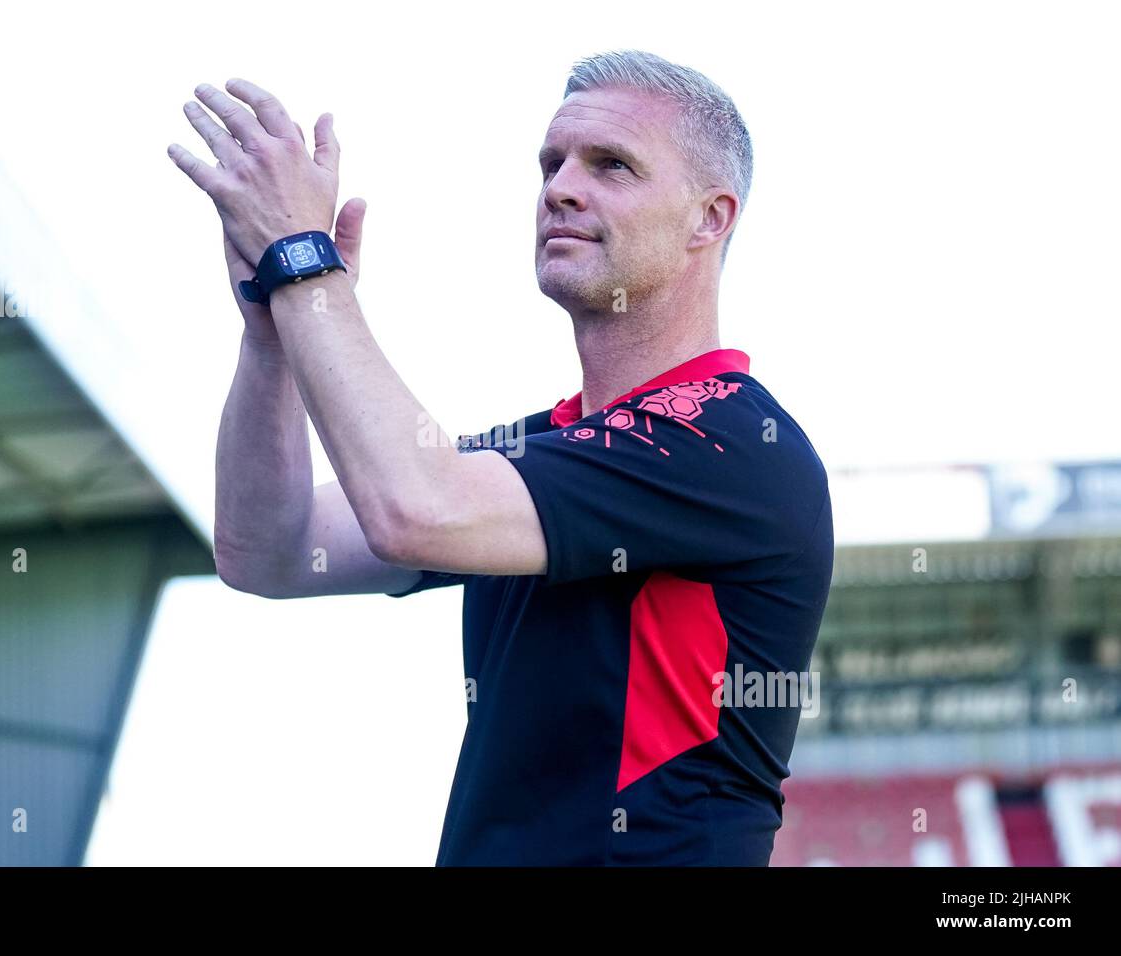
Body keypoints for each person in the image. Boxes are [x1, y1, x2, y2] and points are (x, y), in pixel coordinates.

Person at [169, 49, 833, 865]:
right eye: (551, 163)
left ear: (710, 218)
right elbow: (264, 551)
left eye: (612, 165)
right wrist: (272, 329)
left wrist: (304, 262)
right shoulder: (542, 452)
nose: (560, 187)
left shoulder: (730, 442)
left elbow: (416, 506)